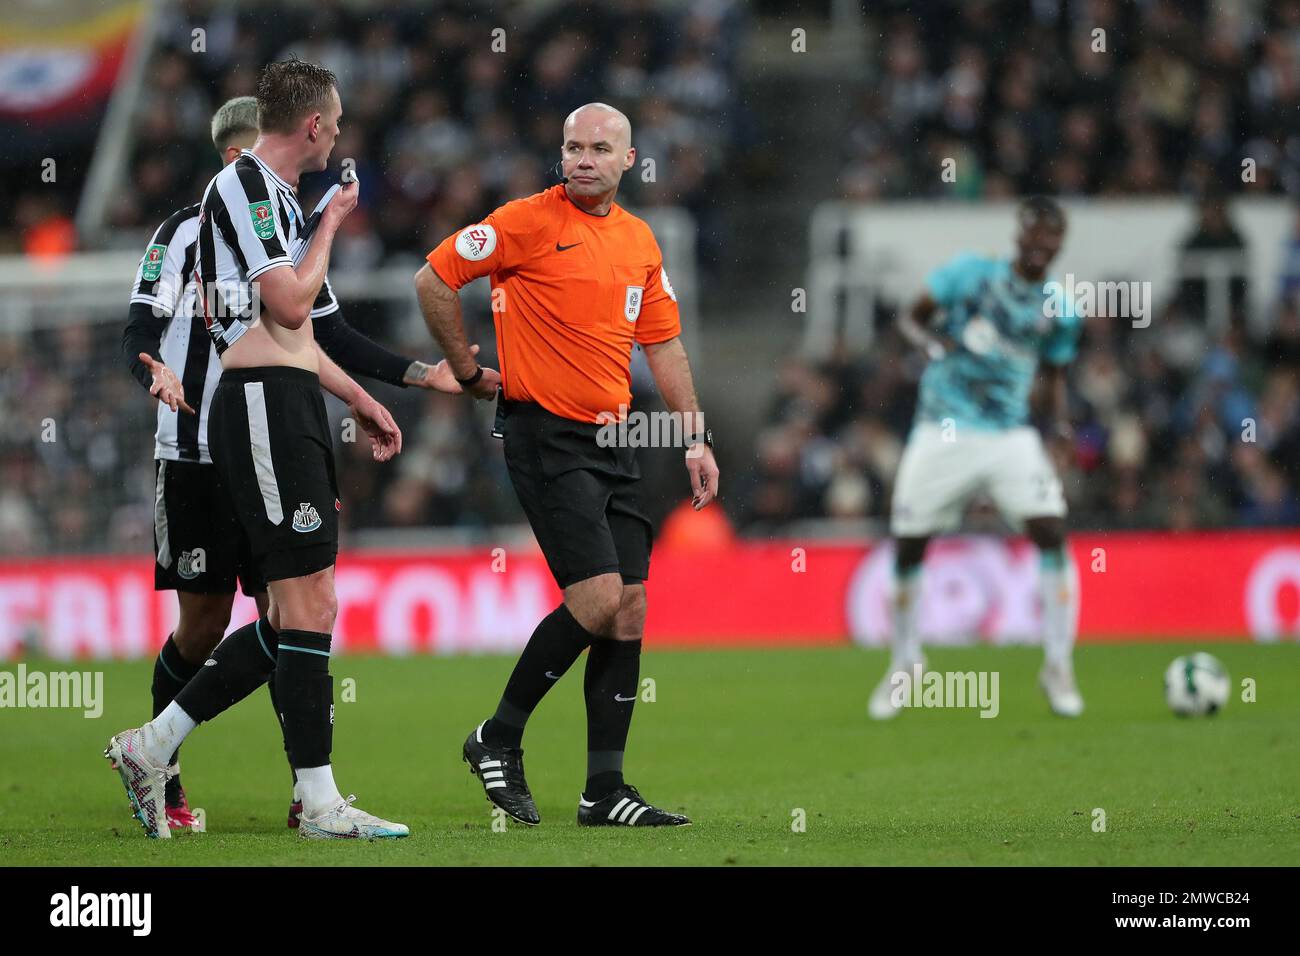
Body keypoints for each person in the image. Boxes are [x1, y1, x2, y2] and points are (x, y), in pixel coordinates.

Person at [121, 95, 470, 835]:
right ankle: (167, 770)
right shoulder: (187, 231)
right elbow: (143, 322)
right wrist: (150, 369)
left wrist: (402, 380)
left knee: (295, 609)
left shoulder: (284, 225)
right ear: (234, 160)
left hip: (267, 431)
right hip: (196, 451)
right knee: (207, 622)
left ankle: (303, 788)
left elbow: (324, 332)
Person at [416, 103, 719, 827]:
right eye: (572, 147)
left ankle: (604, 790)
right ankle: (498, 735)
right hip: (545, 435)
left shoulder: (640, 240)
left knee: (631, 607)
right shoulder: (524, 222)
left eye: (598, 148)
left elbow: (665, 344)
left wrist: (695, 438)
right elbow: (433, 279)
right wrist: (463, 368)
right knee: (597, 597)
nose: (583, 158)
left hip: (614, 439)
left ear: (627, 159)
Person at [869, 196, 1085, 720]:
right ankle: (905, 662)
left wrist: (1057, 426)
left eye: (1051, 239)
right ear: (1020, 233)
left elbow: (1053, 374)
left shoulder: (1061, 307)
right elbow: (911, 317)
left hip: (1008, 434)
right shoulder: (971, 274)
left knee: (1051, 531)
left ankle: (1057, 665)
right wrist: (931, 345)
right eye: (1034, 234)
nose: (1041, 246)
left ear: (1059, 244)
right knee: (909, 543)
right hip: (942, 428)